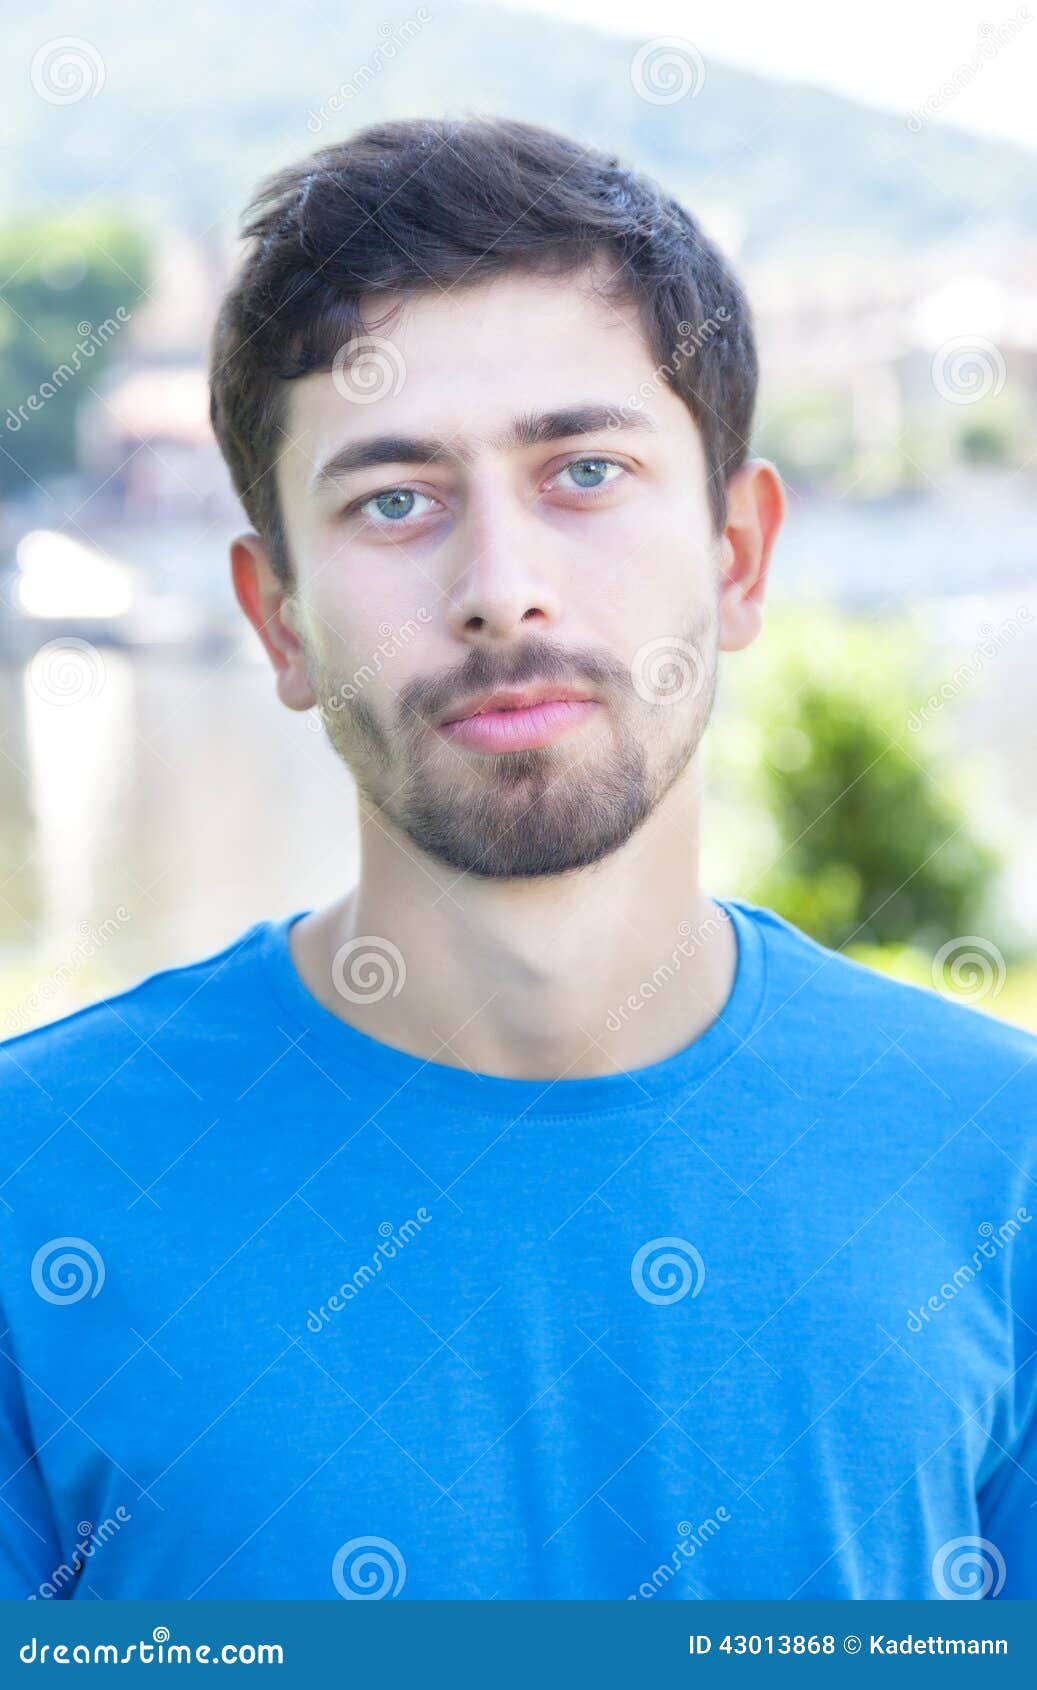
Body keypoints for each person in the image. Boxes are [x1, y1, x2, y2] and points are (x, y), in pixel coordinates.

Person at [0, 116, 1033, 1603]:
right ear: (277, 617)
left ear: (735, 555)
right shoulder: (38, 1187)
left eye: (585, 472)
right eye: (394, 500)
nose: (502, 591)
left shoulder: (1001, 1165)